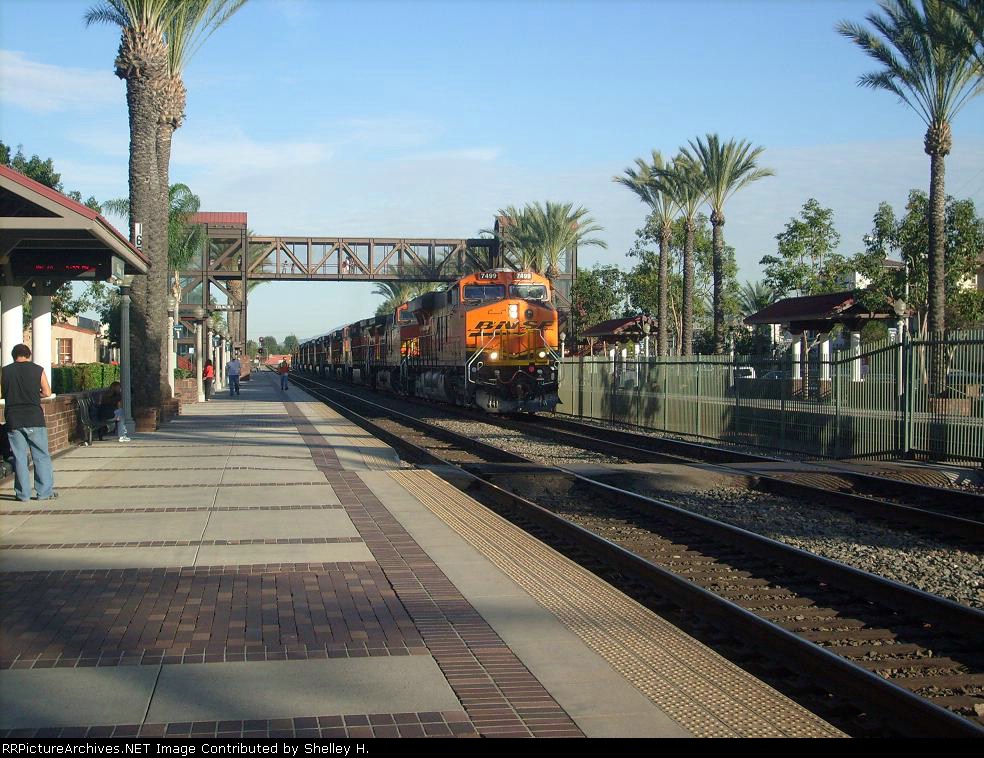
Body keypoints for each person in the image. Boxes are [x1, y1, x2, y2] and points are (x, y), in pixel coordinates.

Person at [1, 344, 55, 501]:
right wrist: (34, 392)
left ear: (13, 355)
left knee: (19, 457)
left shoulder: (5, 371)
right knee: (41, 456)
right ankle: (44, 492)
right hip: (34, 417)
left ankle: (23, 494)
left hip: (14, 418)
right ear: (28, 355)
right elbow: (47, 392)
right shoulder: (37, 369)